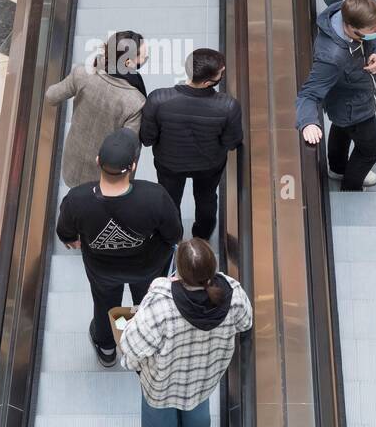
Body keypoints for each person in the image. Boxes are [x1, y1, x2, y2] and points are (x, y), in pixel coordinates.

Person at [56, 128, 183, 367]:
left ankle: (106, 348)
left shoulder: (77, 199)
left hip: (102, 269)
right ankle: (144, 345)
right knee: (145, 303)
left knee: (105, 304)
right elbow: (173, 234)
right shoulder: (154, 196)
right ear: (133, 166)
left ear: (97, 162)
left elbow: (66, 234)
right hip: (147, 267)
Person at [119, 237, 253, 427]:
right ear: (213, 265)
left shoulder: (161, 303)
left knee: (159, 416)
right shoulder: (234, 293)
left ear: (178, 271)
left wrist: (134, 364)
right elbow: (246, 324)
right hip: (206, 375)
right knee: (198, 407)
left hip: (162, 382)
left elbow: (131, 349)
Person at [139, 48, 242, 242]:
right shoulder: (228, 106)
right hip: (209, 165)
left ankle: (174, 236)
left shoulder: (158, 99)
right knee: (206, 199)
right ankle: (202, 236)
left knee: (169, 200)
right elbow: (231, 143)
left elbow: (147, 139)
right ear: (207, 82)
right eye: (221, 72)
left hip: (168, 164)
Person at [296, 0, 376, 191]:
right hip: (355, 108)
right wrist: (308, 121)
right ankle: (351, 187)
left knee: (341, 129)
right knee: (373, 149)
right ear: (351, 28)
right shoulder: (332, 57)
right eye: (372, 30)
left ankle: (337, 168)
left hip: (344, 103)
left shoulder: (351, 12)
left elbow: (370, 39)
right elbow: (309, 93)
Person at [45, 31, 147, 188]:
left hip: (73, 162)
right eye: (142, 55)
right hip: (107, 174)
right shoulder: (135, 101)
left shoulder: (82, 74)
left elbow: (51, 96)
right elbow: (129, 146)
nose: (145, 57)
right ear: (128, 63)